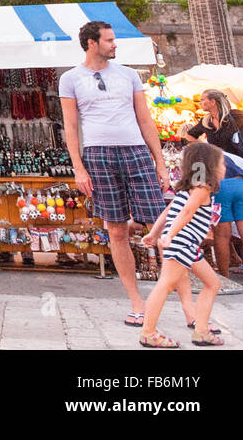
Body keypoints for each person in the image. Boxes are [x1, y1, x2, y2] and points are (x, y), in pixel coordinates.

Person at [60, 20, 168, 327]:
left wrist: (159, 162)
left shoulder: (128, 74)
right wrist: (78, 168)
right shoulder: (70, 79)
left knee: (161, 226)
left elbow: (145, 120)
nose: (114, 44)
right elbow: (70, 128)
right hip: (98, 155)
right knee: (117, 230)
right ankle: (137, 303)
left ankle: (186, 302)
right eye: (109, 40)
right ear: (92, 43)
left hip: (135, 149)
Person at [138, 142, 225, 347]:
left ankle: (201, 331)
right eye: (221, 163)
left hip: (185, 244)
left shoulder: (189, 191)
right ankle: (148, 332)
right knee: (165, 285)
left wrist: (154, 233)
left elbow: (169, 212)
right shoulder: (202, 189)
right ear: (209, 166)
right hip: (182, 243)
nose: (224, 168)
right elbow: (185, 213)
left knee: (213, 283)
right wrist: (169, 236)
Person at [184, 88, 243, 286]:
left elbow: (189, 137)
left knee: (222, 234)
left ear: (213, 101)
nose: (201, 102)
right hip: (241, 181)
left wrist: (207, 152)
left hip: (220, 182)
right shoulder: (234, 117)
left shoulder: (206, 124)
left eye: (203, 100)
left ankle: (224, 279)